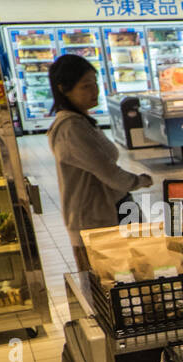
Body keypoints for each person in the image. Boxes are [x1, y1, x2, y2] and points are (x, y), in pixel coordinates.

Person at [47, 54, 152, 272]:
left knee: (140, 271)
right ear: (63, 89)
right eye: (85, 86)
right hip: (95, 220)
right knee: (105, 286)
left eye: (95, 84)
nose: (94, 91)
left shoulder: (82, 121)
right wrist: (139, 181)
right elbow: (108, 173)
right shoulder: (70, 128)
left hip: (115, 208)